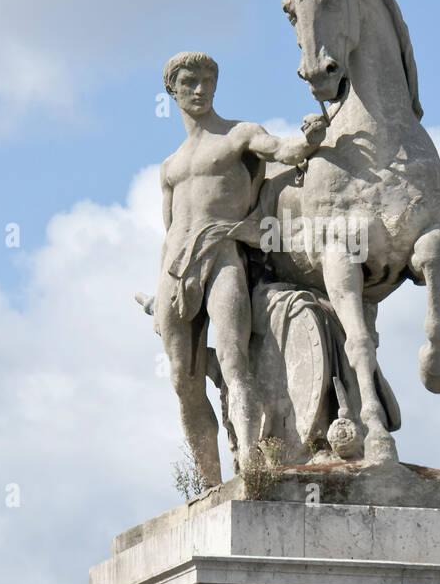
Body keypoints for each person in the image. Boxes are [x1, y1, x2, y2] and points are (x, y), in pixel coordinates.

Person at [137, 51, 326, 487]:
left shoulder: (239, 135)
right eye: (190, 81)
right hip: (175, 270)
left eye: (207, 81)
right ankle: (208, 484)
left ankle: (253, 473)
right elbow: (171, 232)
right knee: (183, 381)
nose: (200, 89)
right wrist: (159, 290)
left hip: (224, 254)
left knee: (235, 360)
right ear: (172, 90)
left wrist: (311, 139)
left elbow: (283, 149)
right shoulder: (169, 167)